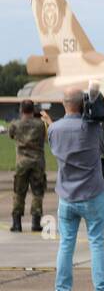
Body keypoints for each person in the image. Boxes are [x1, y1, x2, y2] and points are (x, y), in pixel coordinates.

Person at [47, 87, 104, 291]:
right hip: (92, 194)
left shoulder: (54, 129)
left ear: (64, 103)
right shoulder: (92, 127)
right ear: (83, 104)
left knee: (66, 245)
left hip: (66, 197)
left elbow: (53, 149)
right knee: (96, 244)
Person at [7, 99, 46, 233]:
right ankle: (36, 223)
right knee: (37, 193)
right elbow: (44, 136)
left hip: (22, 162)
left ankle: (17, 223)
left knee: (19, 192)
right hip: (37, 162)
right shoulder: (40, 125)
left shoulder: (15, 124)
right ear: (33, 110)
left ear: (21, 110)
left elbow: (11, 135)